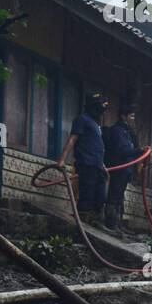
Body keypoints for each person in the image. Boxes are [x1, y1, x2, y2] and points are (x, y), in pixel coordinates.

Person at [57, 92, 109, 227]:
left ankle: (95, 221)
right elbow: (73, 139)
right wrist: (62, 159)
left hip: (97, 165)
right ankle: (83, 224)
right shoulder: (82, 119)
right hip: (86, 163)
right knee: (87, 194)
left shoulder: (96, 124)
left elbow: (96, 145)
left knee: (101, 196)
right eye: (100, 107)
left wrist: (102, 164)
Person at [102, 104, 140, 231]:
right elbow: (122, 151)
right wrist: (137, 152)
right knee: (114, 196)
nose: (133, 118)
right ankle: (111, 224)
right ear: (123, 116)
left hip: (125, 170)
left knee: (119, 197)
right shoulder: (118, 131)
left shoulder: (127, 132)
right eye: (131, 116)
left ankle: (118, 223)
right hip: (118, 168)